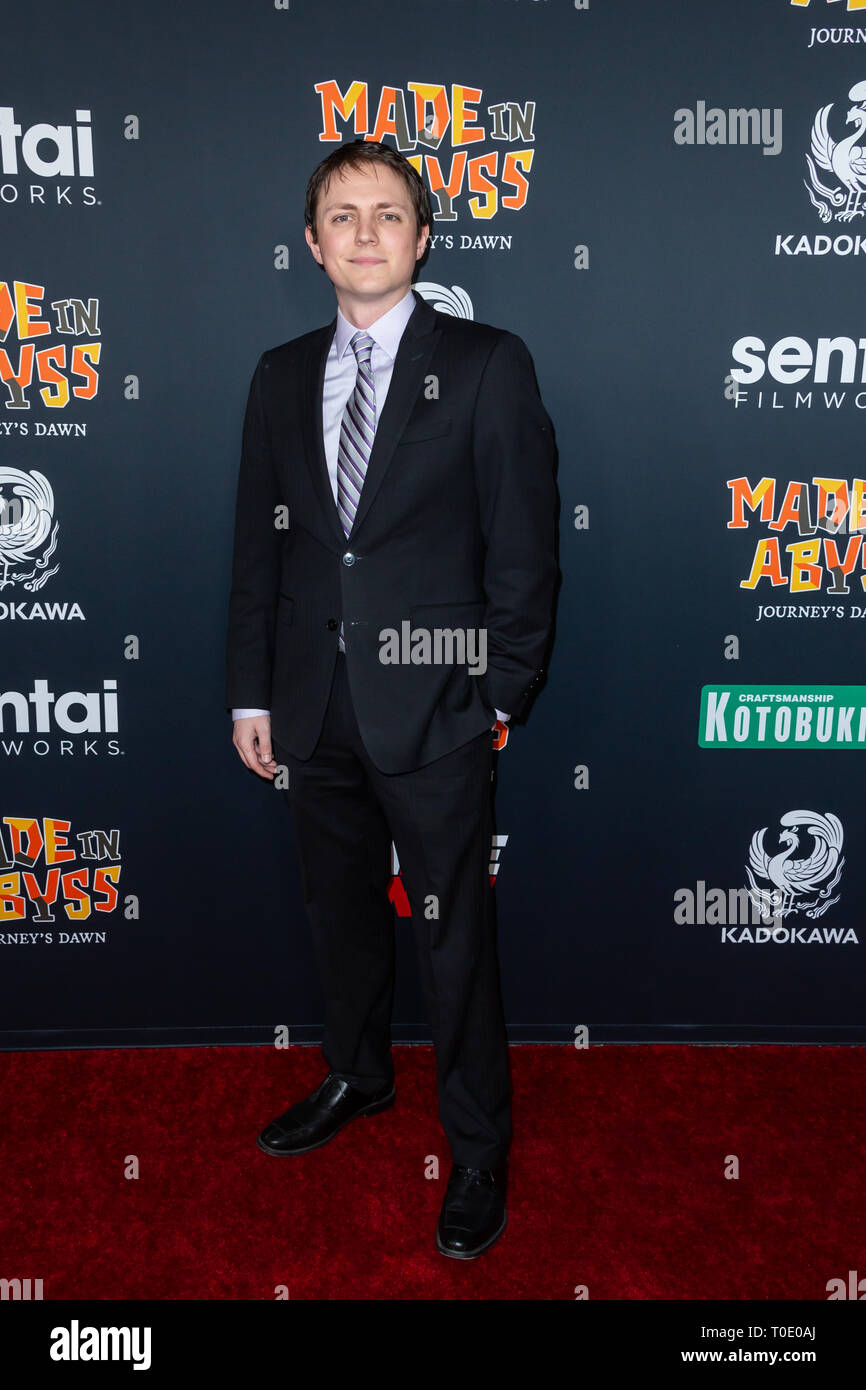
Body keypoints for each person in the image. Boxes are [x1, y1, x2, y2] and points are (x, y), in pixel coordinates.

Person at [226, 138, 558, 1259]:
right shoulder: (277, 376)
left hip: (438, 713)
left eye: (387, 214)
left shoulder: (485, 362)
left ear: (421, 239)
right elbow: (257, 555)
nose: (364, 232)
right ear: (311, 244)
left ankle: (474, 1147)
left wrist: (499, 690)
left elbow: (522, 546)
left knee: (454, 938)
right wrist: (248, 694)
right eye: (341, 215)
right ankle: (358, 1077)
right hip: (311, 707)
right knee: (340, 919)